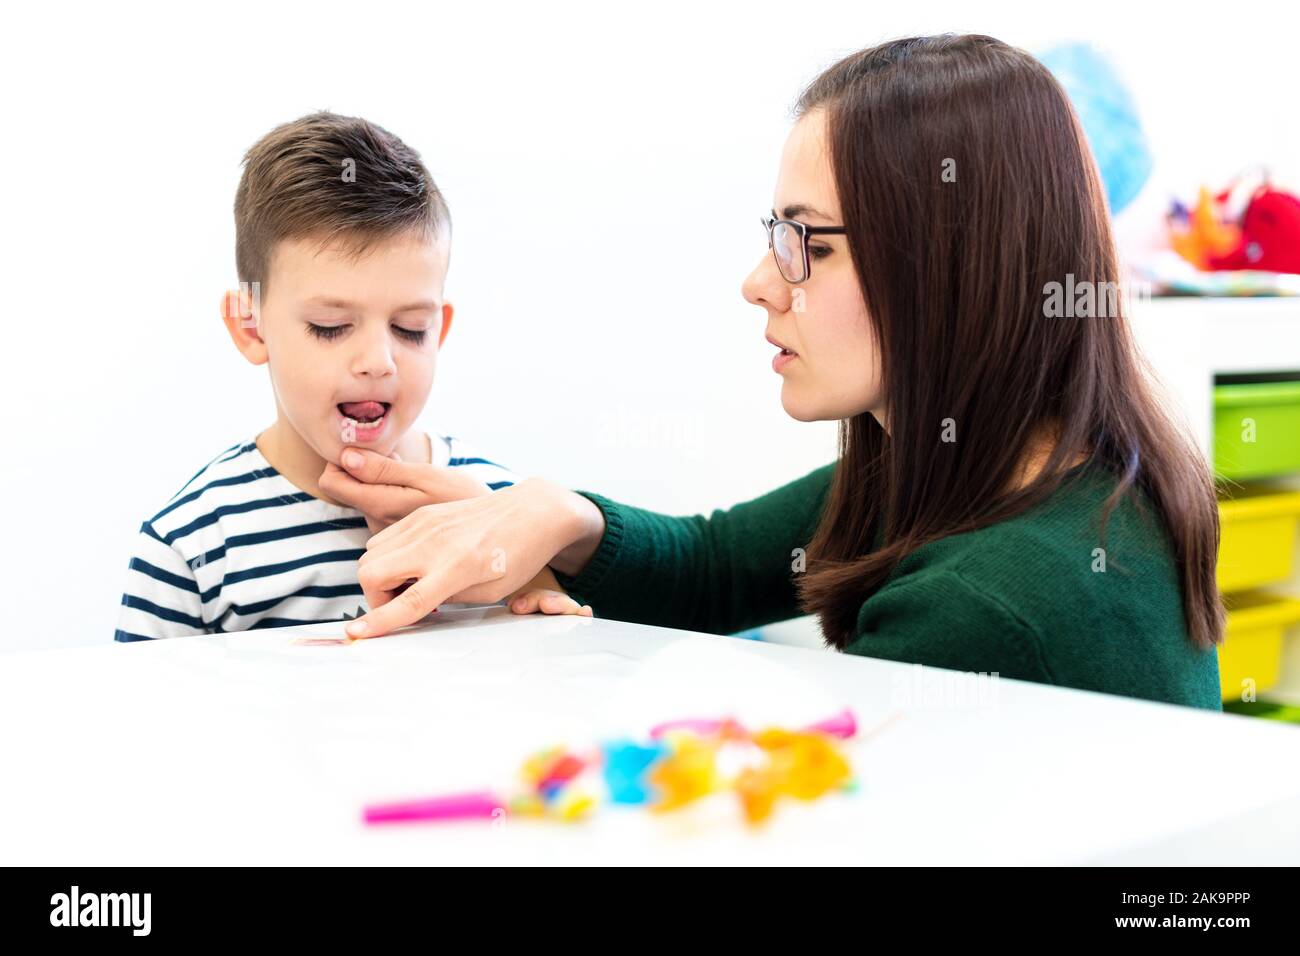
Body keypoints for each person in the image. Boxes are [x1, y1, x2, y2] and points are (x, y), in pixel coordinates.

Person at [330, 35, 1222, 709]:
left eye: (809, 244)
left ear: (947, 264)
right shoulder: (1020, 468)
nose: (761, 283)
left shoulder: (978, 609)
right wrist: (554, 514)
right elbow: (716, 565)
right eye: (775, 235)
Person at [114, 111, 589, 641]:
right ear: (251, 327)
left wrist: (540, 600)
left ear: (440, 328)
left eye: (410, 328)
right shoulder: (191, 543)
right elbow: (145, 721)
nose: (378, 361)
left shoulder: (496, 509)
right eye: (331, 326)